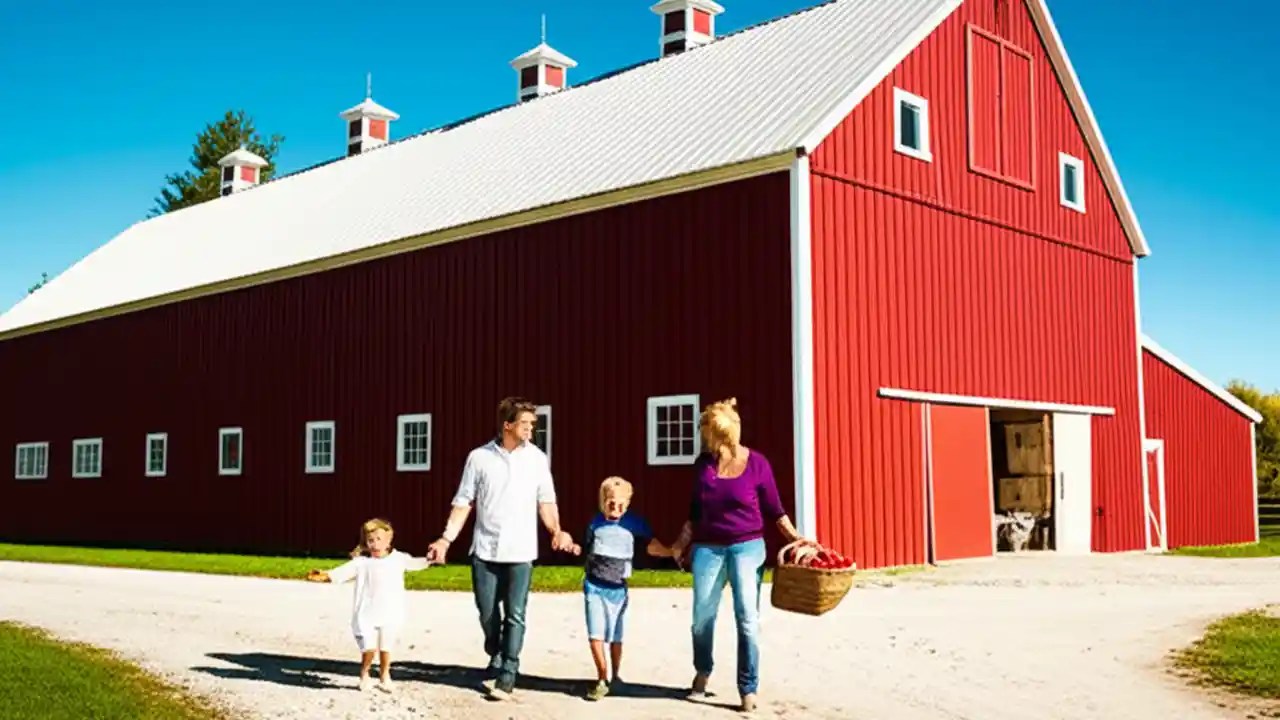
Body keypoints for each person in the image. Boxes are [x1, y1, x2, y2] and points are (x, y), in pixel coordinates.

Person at [426, 396, 575, 701]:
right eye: (525, 423)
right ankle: (495, 649)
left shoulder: (536, 459)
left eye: (533, 424)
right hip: (486, 549)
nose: (531, 428)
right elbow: (463, 501)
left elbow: (546, 500)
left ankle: (508, 672)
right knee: (486, 612)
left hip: (521, 551)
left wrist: (555, 531)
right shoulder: (479, 458)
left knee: (516, 614)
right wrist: (445, 539)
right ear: (507, 425)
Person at [669, 398, 809, 713]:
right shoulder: (703, 465)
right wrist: (680, 545)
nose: (705, 440)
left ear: (725, 434)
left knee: (747, 619)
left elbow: (775, 510)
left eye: (708, 434)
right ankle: (702, 673)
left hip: (748, 547)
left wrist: (798, 538)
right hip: (708, 547)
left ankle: (748, 688)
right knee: (701, 618)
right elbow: (694, 512)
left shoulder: (758, 464)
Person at [569, 476, 671, 701]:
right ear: (602, 501)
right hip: (594, 586)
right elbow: (584, 547)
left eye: (620, 503)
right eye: (610, 502)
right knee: (595, 632)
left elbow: (652, 547)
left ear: (628, 502)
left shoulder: (635, 524)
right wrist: (574, 548)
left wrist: (672, 552)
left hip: (619, 590)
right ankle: (602, 677)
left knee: (616, 635)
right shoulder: (595, 524)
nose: (615, 507)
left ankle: (616, 675)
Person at [306, 518, 431, 693]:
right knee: (368, 647)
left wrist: (430, 559)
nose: (375, 544)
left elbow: (417, 563)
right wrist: (325, 575)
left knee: (386, 646)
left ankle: (385, 676)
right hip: (366, 613)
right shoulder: (362, 563)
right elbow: (341, 572)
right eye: (371, 540)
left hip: (391, 612)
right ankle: (364, 674)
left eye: (379, 539)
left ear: (389, 540)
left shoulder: (398, 559)